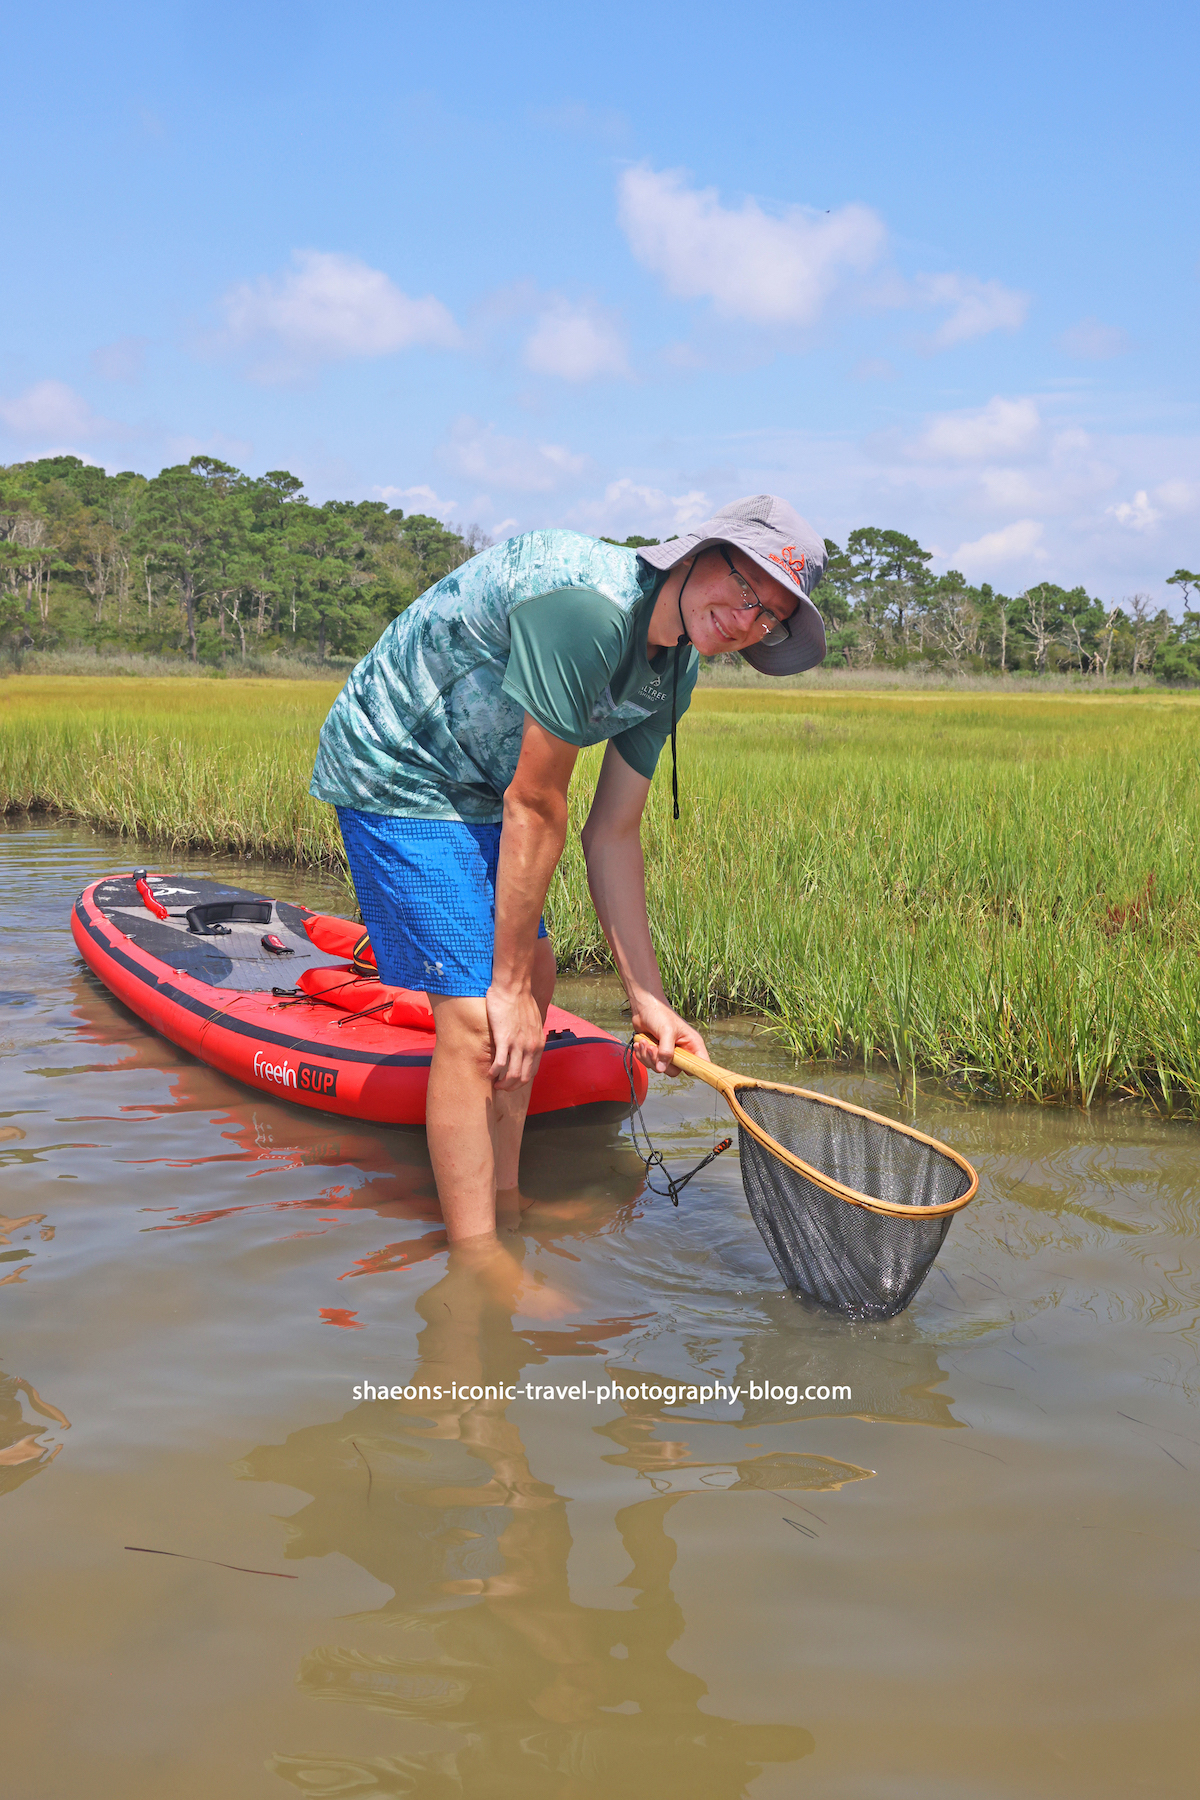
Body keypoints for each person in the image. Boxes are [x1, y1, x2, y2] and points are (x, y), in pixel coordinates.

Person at [310, 493, 827, 1248]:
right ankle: (478, 1257)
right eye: (745, 589)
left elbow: (612, 833)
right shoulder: (590, 611)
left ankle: (506, 1200)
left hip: (480, 784)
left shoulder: (673, 671)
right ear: (698, 554)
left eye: (770, 615)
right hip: (398, 763)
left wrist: (647, 1000)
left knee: (540, 978)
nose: (748, 620)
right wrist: (505, 985)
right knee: (478, 1016)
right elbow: (537, 801)